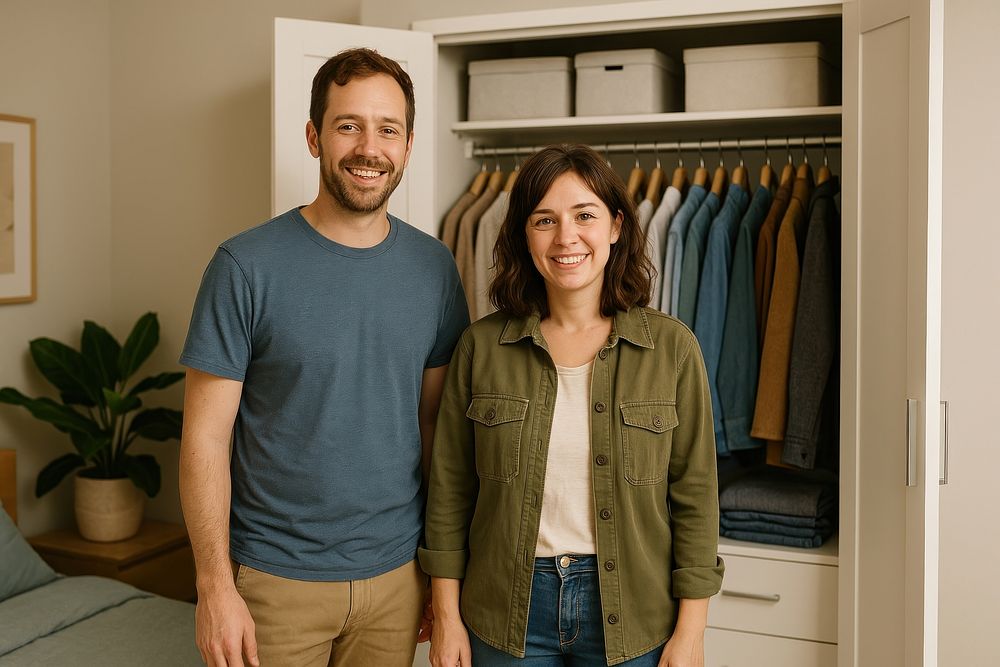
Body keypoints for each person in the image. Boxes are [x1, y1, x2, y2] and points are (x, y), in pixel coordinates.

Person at [178, 48, 469, 667]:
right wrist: (214, 589)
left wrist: (437, 580)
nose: (370, 147)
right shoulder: (243, 267)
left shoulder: (436, 269)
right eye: (348, 125)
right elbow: (205, 439)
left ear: (409, 145)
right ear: (314, 136)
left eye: (388, 129)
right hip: (274, 584)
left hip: (396, 577)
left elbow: (434, 428)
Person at [419, 144, 724, 667]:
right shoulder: (481, 347)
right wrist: (446, 617)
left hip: (634, 612)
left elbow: (695, 498)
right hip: (503, 612)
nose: (566, 237)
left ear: (616, 227)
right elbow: (449, 492)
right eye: (544, 220)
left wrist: (691, 630)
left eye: (585, 215)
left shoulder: (672, 349)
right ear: (524, 236)